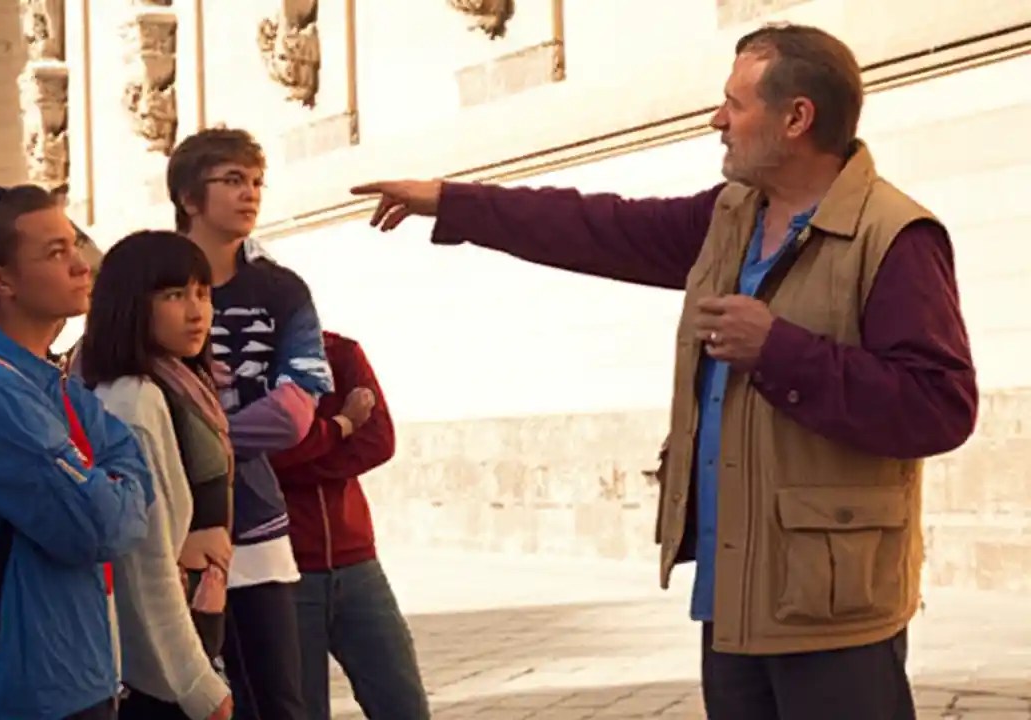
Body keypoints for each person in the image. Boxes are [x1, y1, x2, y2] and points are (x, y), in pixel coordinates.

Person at [352, 23, 978, 720]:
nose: (717, 120)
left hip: (834, 611)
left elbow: (939, 405)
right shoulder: (730, 217)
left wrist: (777, 349)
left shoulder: (893, 235)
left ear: (797, 118)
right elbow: (600, 228)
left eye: (735, 104)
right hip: (734, 595)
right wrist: (455, 201)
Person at [0, 184, 153, 719]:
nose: (81, 266)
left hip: (82, 673)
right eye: (55, 253)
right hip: (27, 692)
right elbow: (99, 527)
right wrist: (114, 487)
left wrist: (116, 487)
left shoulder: (50, 380)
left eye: (74, 244)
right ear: (0, 280)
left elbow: (138, 470)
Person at [167, 127, 335, 720]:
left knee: (276, 700)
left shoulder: (282, 289)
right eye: (232, 180)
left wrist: (186, 437)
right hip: (165, 531)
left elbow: (295, 409)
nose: (250, 194)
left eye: (257, 181)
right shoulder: (143, 281)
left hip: (257, 523)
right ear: (190, 197)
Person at [78, 230, 235, 720]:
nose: (196, 312)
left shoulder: (181, 381)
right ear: (131, 304)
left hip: (196, 622)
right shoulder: (134, 398)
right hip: (161, 667)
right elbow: (146, 565)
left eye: (202, 294)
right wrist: (195, 682)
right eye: (173, 296)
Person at [271, 331, 431, 720]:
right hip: (285, 571)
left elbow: (378, 440)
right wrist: (340, 428)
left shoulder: (338, 352)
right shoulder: (241, 367)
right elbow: (255, 456)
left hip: (357, 564)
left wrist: (298, 457)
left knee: (403, 704)